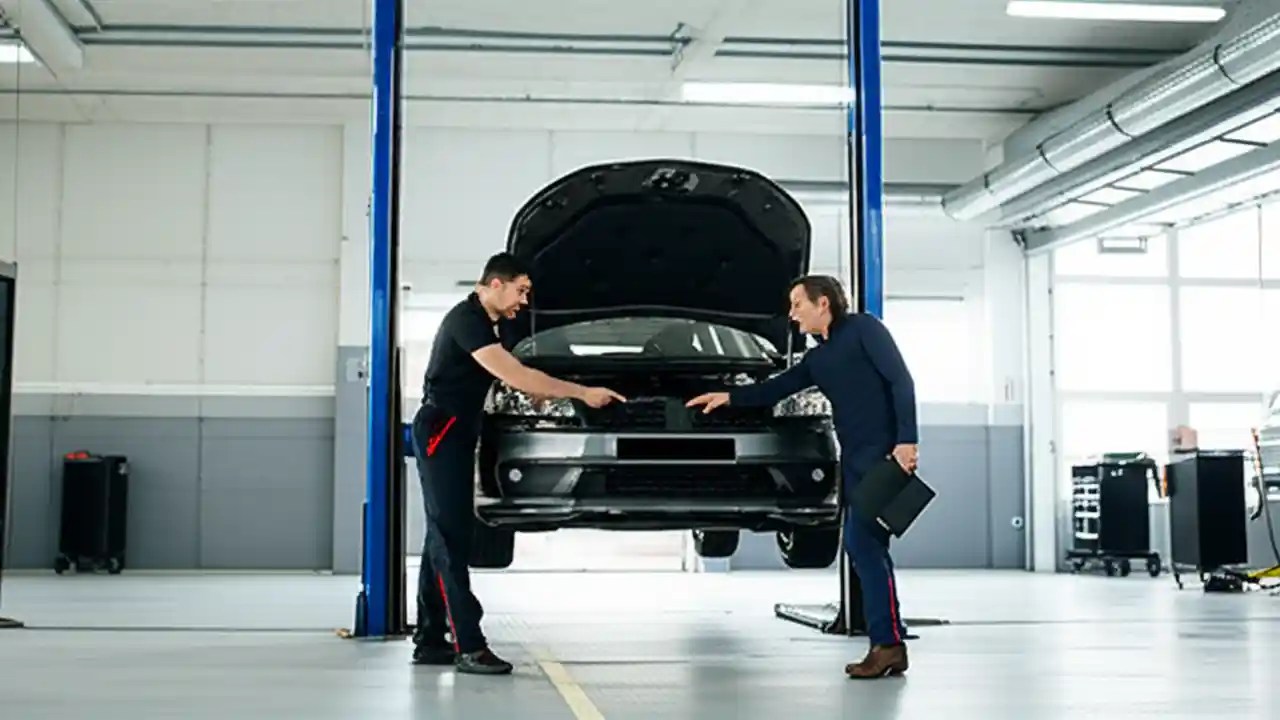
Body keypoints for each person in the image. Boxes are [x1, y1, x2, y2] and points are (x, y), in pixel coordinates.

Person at [686, 275, 919, 680]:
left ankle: (888, 645)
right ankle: (887, 645)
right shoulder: (818, 358)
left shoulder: (865, 329)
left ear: (823, 303)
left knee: (863, 546)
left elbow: (901, 381)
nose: (791, 313)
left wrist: (907, 442)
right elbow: (776, 388)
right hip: (855, 462)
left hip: (885, 457)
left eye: (797, 304)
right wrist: (728, 397)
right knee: (866, 549)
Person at [411, 252, 626, 674]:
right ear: (496, 284)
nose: (524, 302)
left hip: (460, 428)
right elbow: (518, 375)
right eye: (521, 291)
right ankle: (469, 646)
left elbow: (518, 378)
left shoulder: (488, 322)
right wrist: (581, 393)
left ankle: (431, 639)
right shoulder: (467, 320)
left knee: (443, 531)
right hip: (443, 429)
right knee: (450, 537)